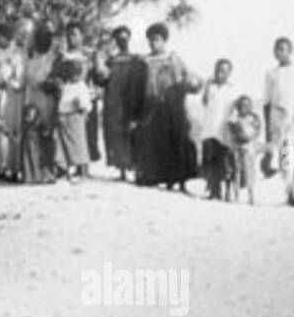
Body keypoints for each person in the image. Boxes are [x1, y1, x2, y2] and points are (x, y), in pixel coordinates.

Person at [132, 23, 202, 191]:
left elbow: (191, 78)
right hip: (152, 109)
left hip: (174, 107)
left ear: (164, 41)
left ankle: (181, 181)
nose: (153, 43)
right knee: (157, 142)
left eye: (156, 39)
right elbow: (137, 88)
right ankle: (163, 178)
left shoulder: (174, 59)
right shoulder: (144, 62)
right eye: (150, 40)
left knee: (178, 141)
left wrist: (193, 83)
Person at [263, 36, 294, 206]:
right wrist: (268, 128)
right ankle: (289, 195)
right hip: (279, 117)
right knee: (286, 158)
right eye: (277, 49)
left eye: (283, 49)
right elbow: (267, 102)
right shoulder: (271, 74)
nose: (280, 52)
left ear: (290, 51)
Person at [95, 26, 143, 181]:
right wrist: (99, 65)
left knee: (133, 134)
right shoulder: (111, 60)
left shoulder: (136, 59)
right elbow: (102, 81)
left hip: (131, 101)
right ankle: (121, 170)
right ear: (115, 41)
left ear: (129, 39)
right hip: (114, 102)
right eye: (119, 39)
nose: (122, 41)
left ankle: (136, 169)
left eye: (125, 38)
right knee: (117, 134)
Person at [21, 22, 59, 183]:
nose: (42, 40)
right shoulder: (30, 59)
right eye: (40, 36)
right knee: (32, 133)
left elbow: (57, 81)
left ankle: (48, 171)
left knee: (47, 134)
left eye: (46, 37)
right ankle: (33, 172)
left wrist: (48, 84)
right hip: (32, 98)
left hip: (47, 99)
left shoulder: (53, 58)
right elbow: (26, 80)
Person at [0, 21, 28, 181]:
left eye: (0, 37)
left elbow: (19, 77)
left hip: (11, 96)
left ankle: (13, 168)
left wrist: (9, 83)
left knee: (11, 132)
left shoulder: (17, 54)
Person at [199, 58, 238, 200]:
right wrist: (207, 86)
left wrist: (233, 125)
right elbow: (204, 103)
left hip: (223, 129)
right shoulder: (210, 86)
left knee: (222, 161)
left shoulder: (232, 89)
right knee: (210, 159)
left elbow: (235, 108)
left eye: (224, 71)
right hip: (210, 128)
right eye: (219, 70)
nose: (221, 73)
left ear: (229, 73)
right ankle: (212, 189)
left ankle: (220, 190)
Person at [62, 24, 101, 165]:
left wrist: (97, 62)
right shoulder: (63, 56)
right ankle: (71, 163)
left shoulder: (88, 55)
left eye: (74, 34)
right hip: (68, 98)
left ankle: (85, 165)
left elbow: (98, 77)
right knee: (71, 132)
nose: (70, 38)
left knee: (88, 132)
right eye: (68, 35)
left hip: (86, 97)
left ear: (81, 36)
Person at [54, 56, 92, 182]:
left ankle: (83, 170)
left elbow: (86, 103)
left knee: (79, 144)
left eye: (76, 74)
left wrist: (80, 104)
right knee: (66, 145)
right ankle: (67, 168)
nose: (73, 77)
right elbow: (63, 100)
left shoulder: (81, 86)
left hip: (75, 117)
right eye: (71, 74)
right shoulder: (68, 85)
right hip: (64, 117)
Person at [227, 95, 262, 205]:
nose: (245, 107)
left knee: (249, 171)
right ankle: (236, 196)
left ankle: (251, 196)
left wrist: (250, 136)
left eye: (247, 105)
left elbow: (257, 130)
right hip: (237, 146)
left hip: (249, 148)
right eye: (242, 105)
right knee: (236, 171)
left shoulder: (253, 117)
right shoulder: (235, 117)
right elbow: (230, 125)